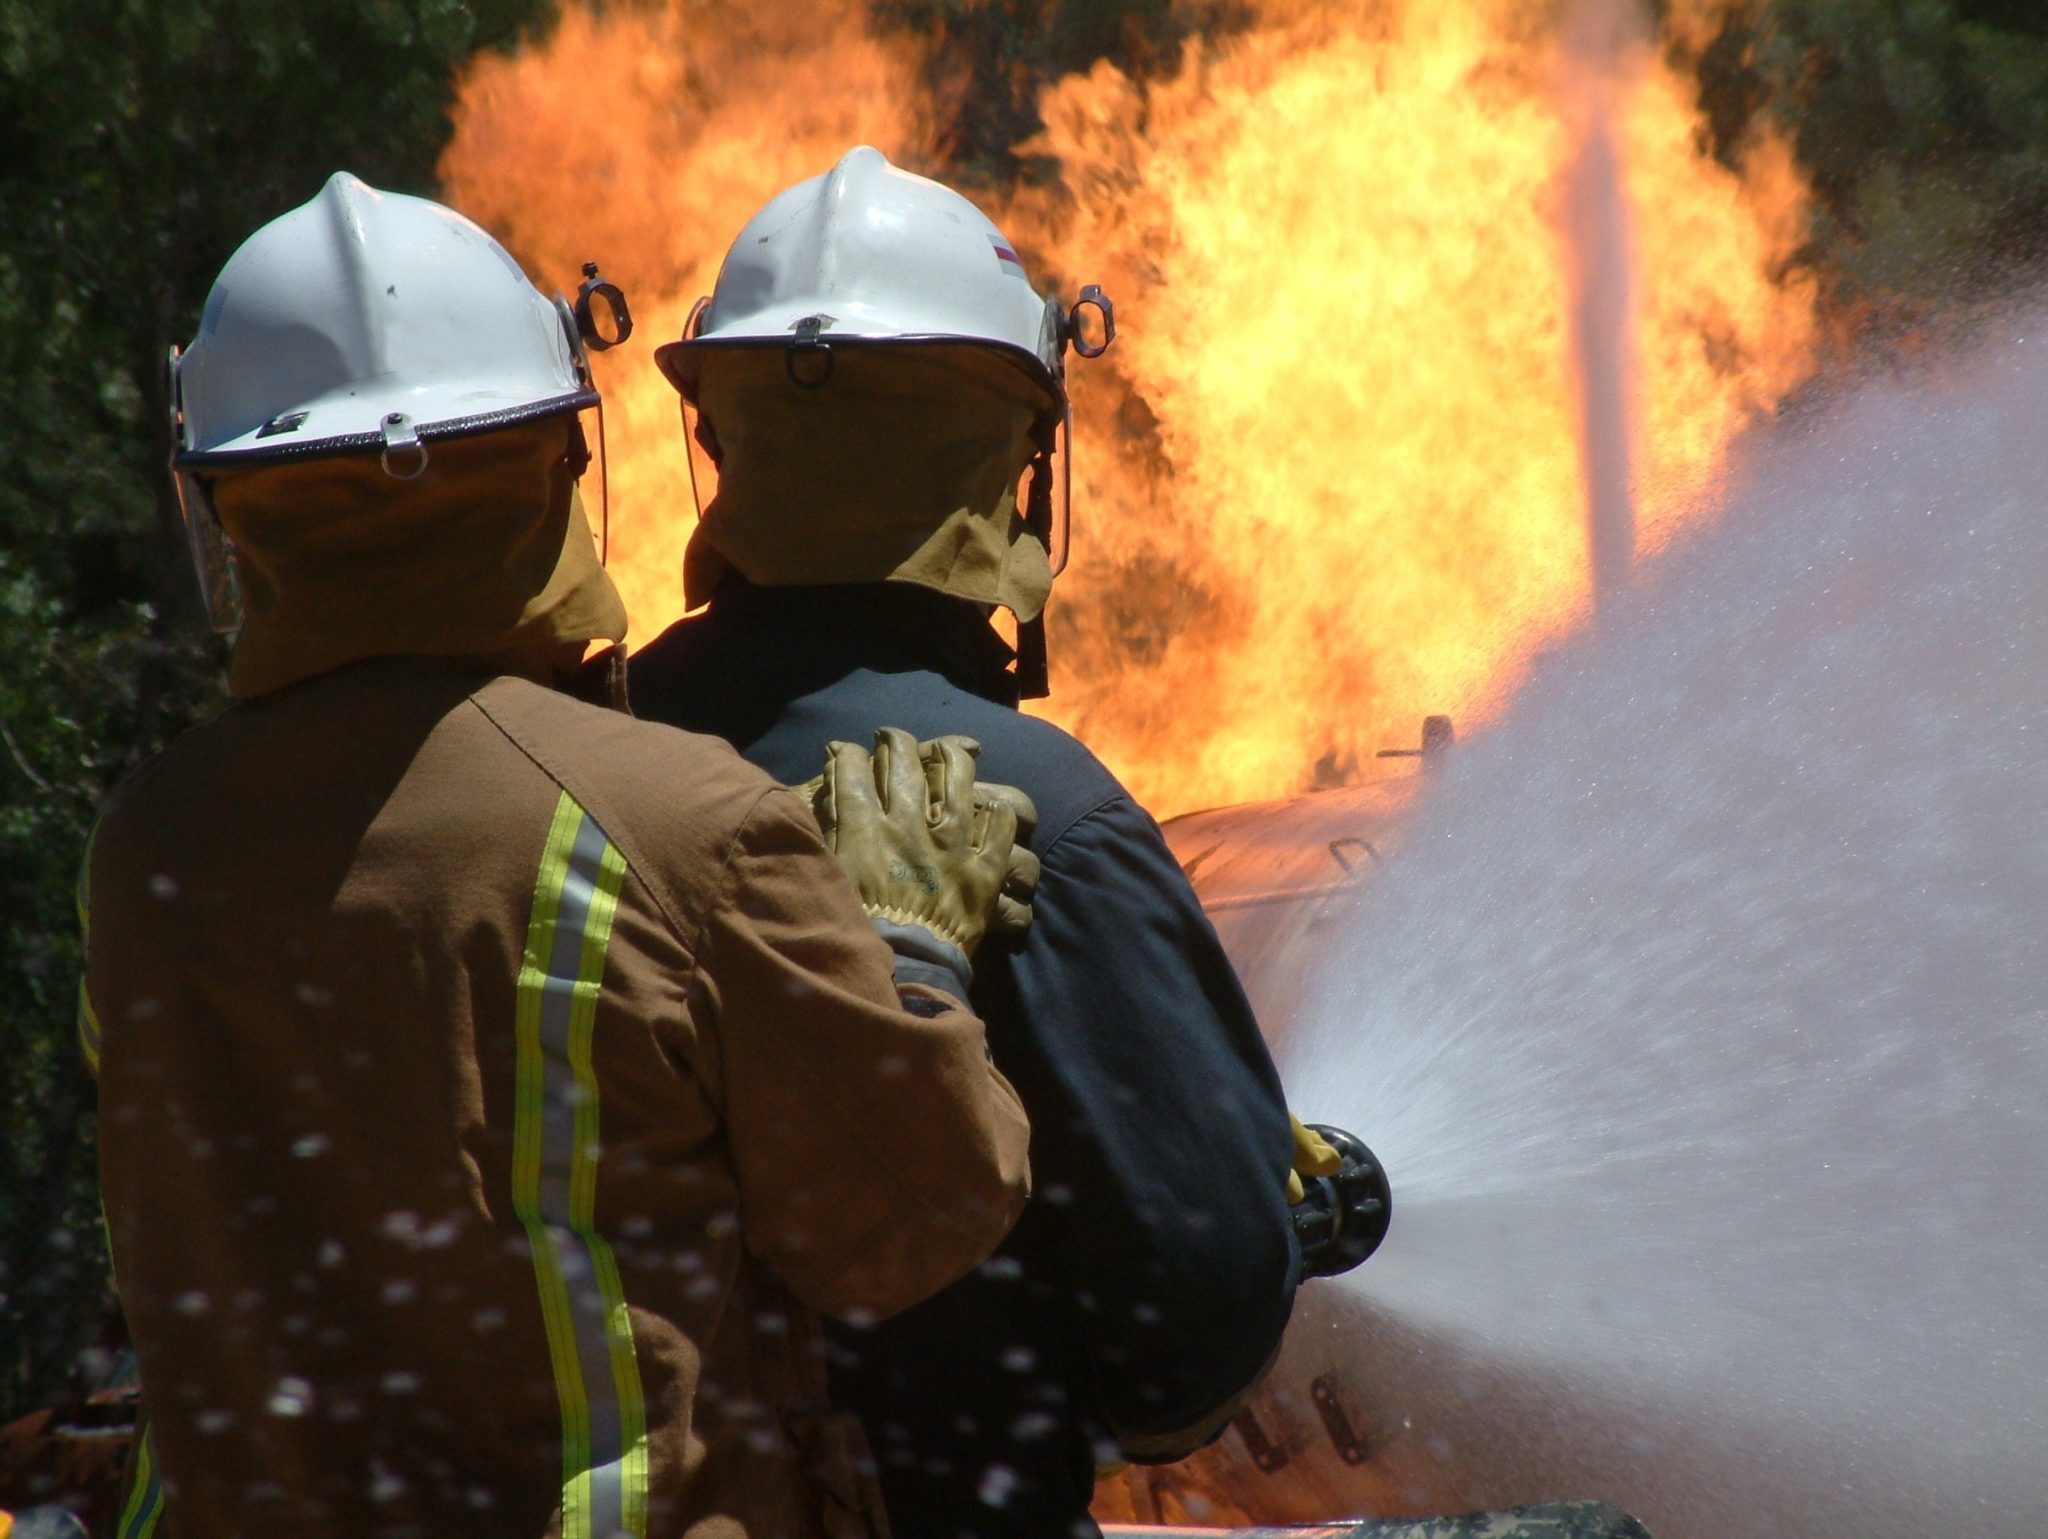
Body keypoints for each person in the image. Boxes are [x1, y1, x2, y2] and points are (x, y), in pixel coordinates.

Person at [80, 172, 1033, 1539]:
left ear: (227, 509)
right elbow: (908, 1222)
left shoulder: (143, 847)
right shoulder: (684, 825)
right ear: (557, 464)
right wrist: (909, 945)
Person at [630, 146, 1308, 1539]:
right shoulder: (1041, 813)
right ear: (1018, 458)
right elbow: (1183, 1357)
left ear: (720, 439)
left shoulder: (571, 751)